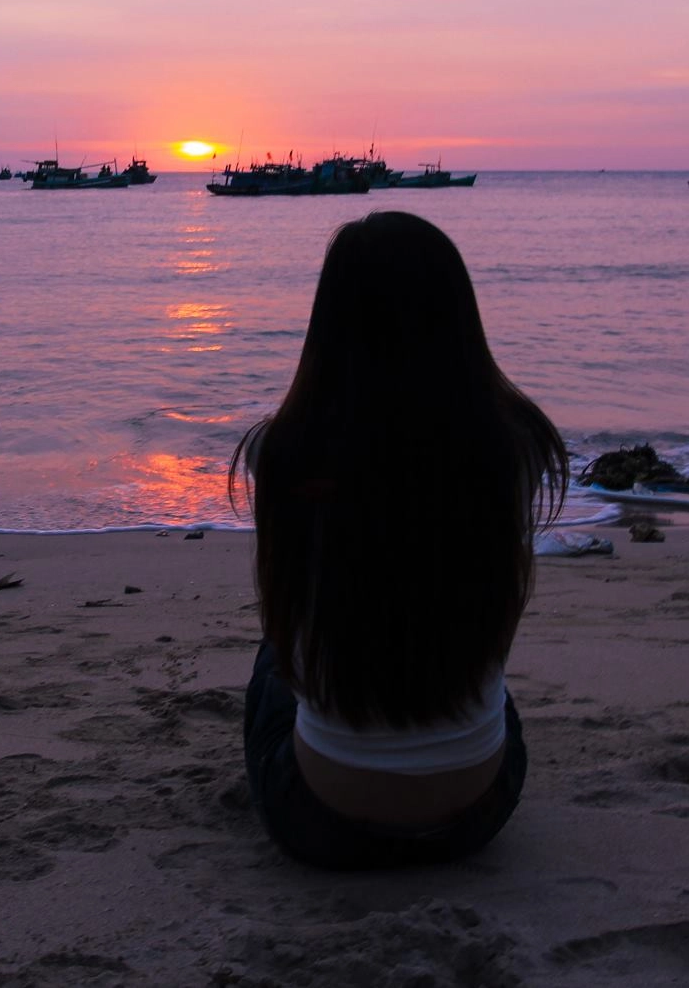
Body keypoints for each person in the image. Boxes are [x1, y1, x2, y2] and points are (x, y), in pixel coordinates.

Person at [231, 210, 568, 869]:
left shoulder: (284, 453)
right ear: (459, 320)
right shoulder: (515, 449)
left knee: (271, 661)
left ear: (327, 326)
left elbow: (290, 631)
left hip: (318, 820)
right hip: (476, 814)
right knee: (479, 673)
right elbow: (494, 626)